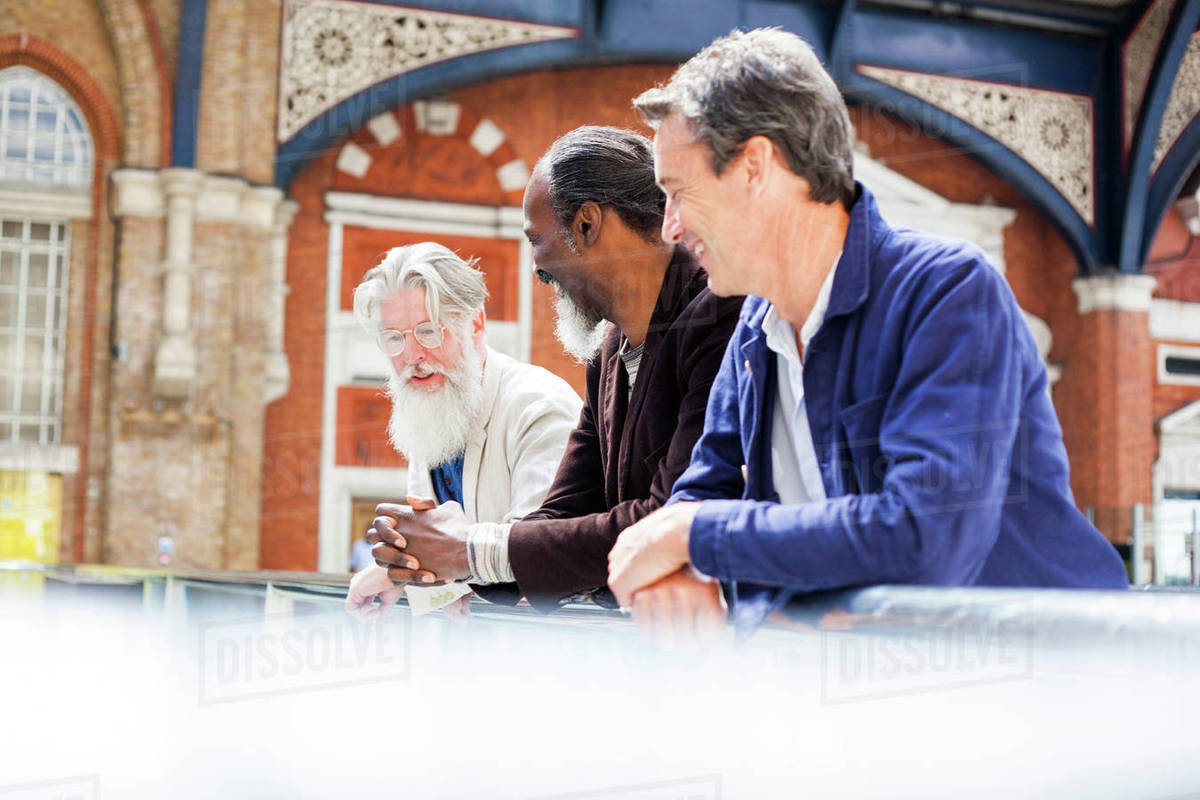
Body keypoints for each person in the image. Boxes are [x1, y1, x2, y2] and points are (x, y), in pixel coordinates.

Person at [607, 28, 1129, 635]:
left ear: (755, 165)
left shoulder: (949, 291)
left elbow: (925, 538)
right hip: (888, 693)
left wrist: (697, 541)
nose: (670, 227)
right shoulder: (756, 328)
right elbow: (701, 494)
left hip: (1056, 684)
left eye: (678, 192)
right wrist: (683, 566)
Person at [363, 126, 743, 622]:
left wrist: (466, 549)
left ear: (586, 224)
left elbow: (666, 519)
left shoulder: (719, 316)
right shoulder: (608, 351)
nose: (538, 268)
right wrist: (430, 556)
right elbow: (566, 512)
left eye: (537, 240)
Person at [344, 242, 581, 619]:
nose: (411, 355)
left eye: (428, 331)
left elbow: (538, 554)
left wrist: (405, 571)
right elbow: (440, 557)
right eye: (394, 338)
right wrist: (398, 574)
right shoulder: (431, 406)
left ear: (475, 325)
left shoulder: (538, 406)